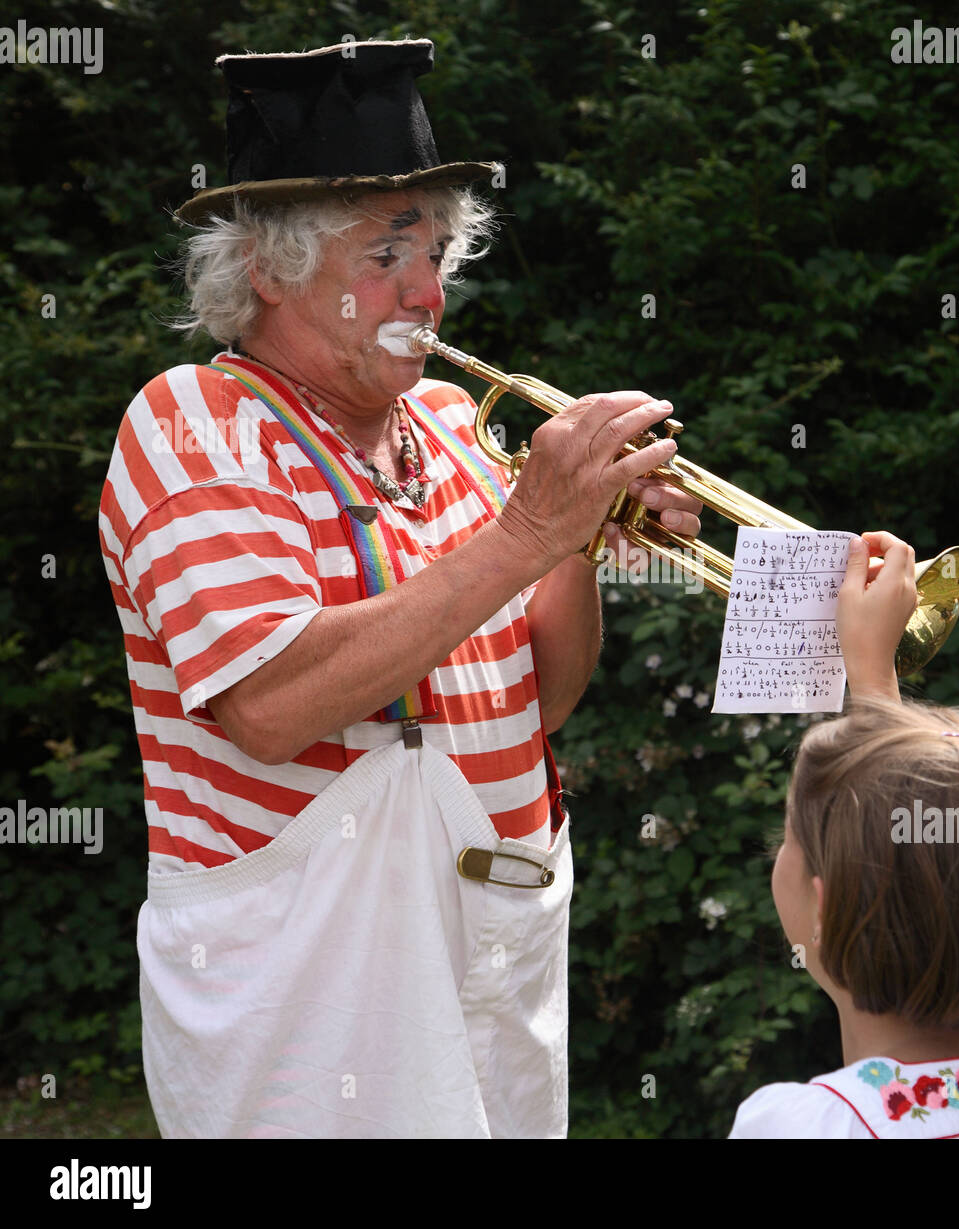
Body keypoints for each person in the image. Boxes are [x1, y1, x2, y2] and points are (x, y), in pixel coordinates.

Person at [97, 38, 701, 1138]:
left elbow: (539, 702)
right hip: (310, 977)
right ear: (270, 270)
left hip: (499, 928)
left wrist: (579, 538)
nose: (427, 290)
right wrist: (529, 531)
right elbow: (270, 706)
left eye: (436, 251)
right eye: (387, 254)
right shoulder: (192, 421)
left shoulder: (447, 428)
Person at [729, 531, 959, 1138]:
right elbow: (948, 848)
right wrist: (871, 674)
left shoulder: (797, 1126)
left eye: (788, 834)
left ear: (825, 903)